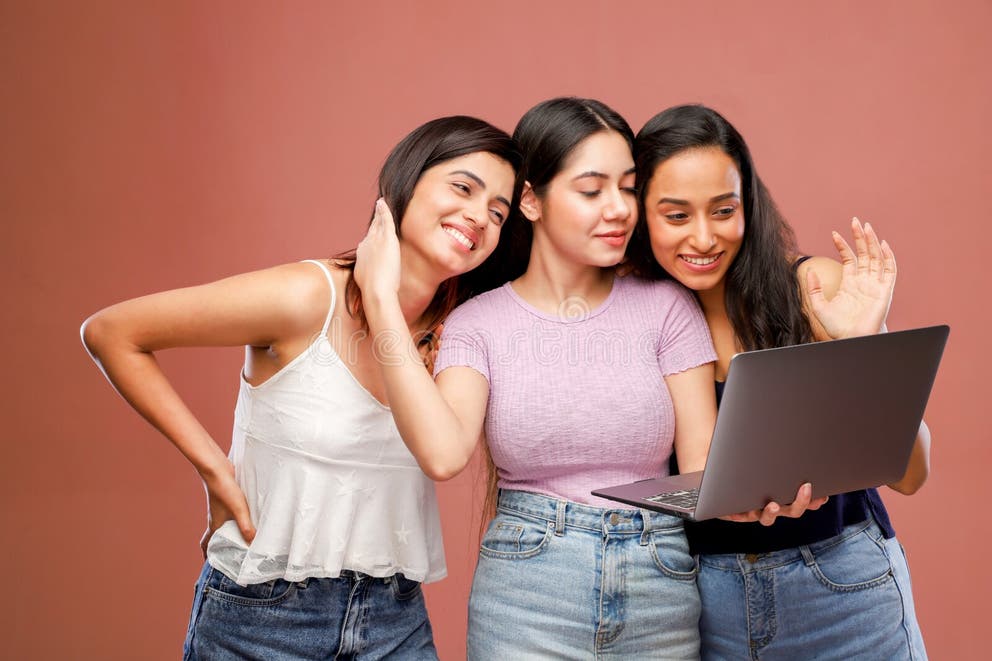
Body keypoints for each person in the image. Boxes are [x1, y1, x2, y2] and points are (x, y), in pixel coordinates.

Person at [355, 97, 818, 659]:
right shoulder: (479, 323)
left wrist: (751, 498)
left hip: (660, 589)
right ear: (531, 200)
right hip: (526, 592)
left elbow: (701, 469)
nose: (621, 209)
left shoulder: (667, 307)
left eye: (628, 188)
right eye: (592, 190)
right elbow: (444, 454)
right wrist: (380, 298)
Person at [80, 115, 522, 660]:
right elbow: (111, 333)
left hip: (394, 618)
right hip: (262, 618)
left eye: (498, 212)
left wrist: (382, 295)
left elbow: (446, 454)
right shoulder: (307, 296)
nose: (479, 216)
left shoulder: (464, 333)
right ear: (406, 181)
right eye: (463, 188)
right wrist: (216, 472)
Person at [629, 103, 929, 660]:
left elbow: (912, 473)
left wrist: (861, 347)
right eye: (676, 216)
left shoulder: (815, 289)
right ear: (641, 215)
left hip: (843, 586)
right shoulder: (635, 317)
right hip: (701, 602)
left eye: (724, 210)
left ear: (750, 206)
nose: (703, 237)